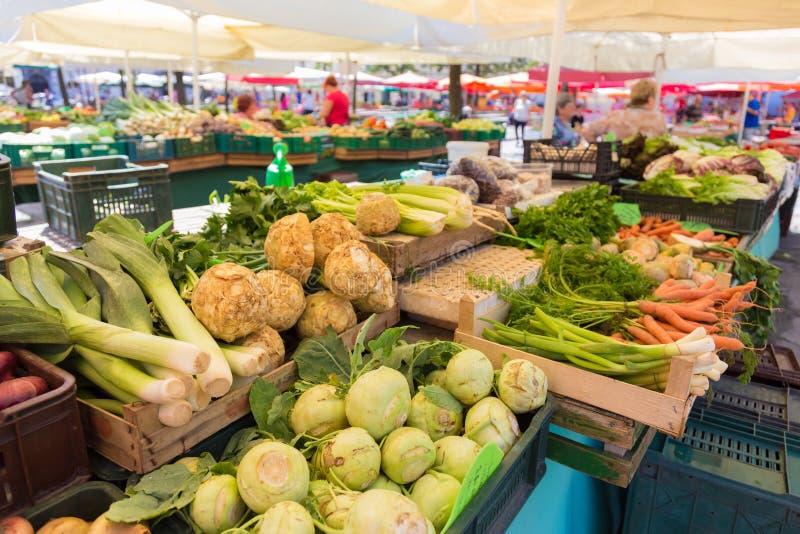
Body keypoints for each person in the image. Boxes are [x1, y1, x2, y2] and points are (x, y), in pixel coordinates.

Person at [582, 79, 667, 141]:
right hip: (650, 161)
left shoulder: (616, 115)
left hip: (614, 160)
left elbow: (586, 132)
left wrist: (600, 149)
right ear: (650, 99)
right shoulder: (658, 119)